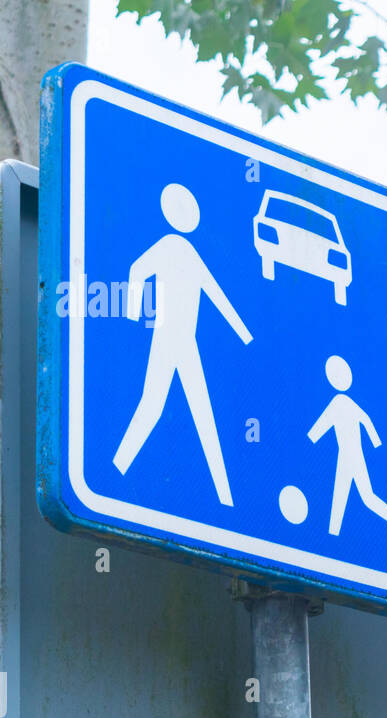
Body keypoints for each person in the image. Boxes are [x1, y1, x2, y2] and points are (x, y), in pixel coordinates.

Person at [114, 183, 252, 506]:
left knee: (202, 413)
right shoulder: (169, 245)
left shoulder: (189, 253)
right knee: (153, 407)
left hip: (186, 342)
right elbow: (137, 270)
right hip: (165, 337)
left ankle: (225, 495)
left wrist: (243, 332)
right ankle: (117, 468)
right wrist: (133, 314)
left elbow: (216, 293)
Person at [308, 355, 387, 535]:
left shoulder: (341, 402)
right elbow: (363, 420)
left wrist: (312, 438)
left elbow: (363, 419)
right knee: (340, 495)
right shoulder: (342, 402)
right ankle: (332, 534)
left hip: (354, 455)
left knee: (367, 497)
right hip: (346, 455)